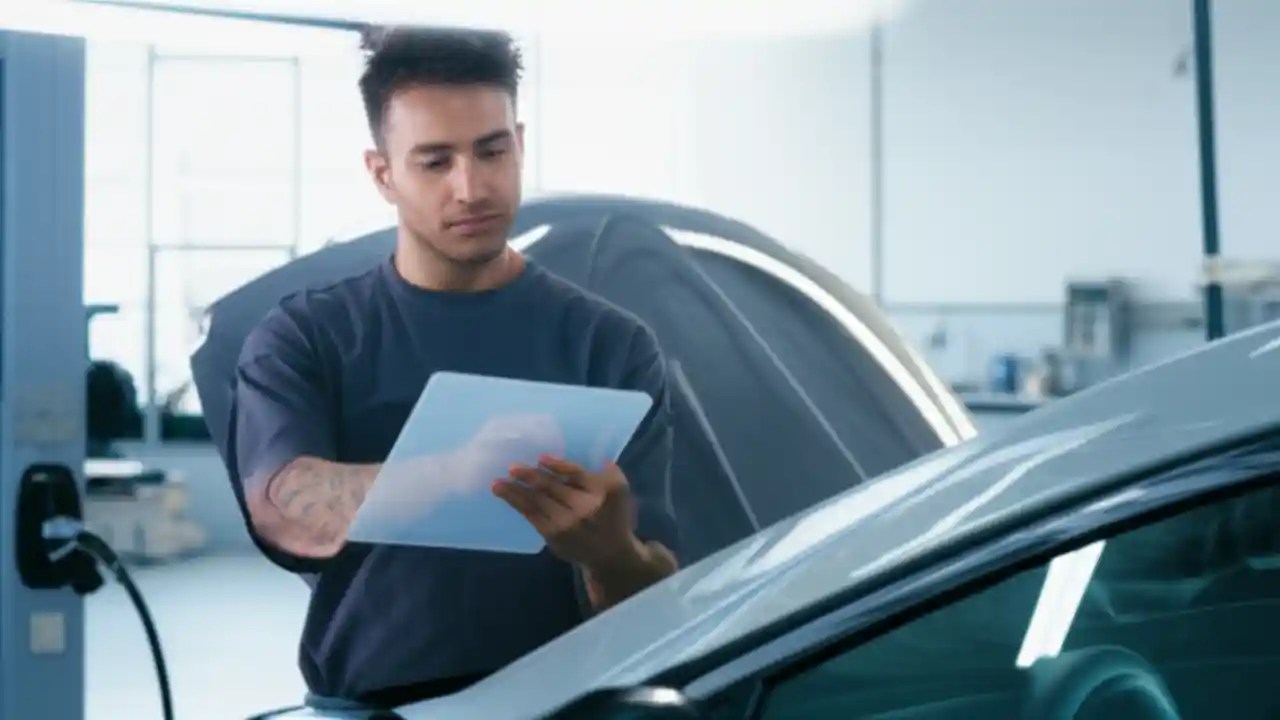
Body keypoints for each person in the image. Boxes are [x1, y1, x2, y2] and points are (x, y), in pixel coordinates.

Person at [232, 26, 681, 708]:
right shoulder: (305, 337)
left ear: (520, 145)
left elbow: (659, 597)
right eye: (435, 162)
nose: (471, 187)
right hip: (373, 708)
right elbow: (285, 511)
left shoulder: (609, 345)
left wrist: (610, 552)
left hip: (565, 705)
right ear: (383, 174)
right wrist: (455, 473)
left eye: (491, 151)